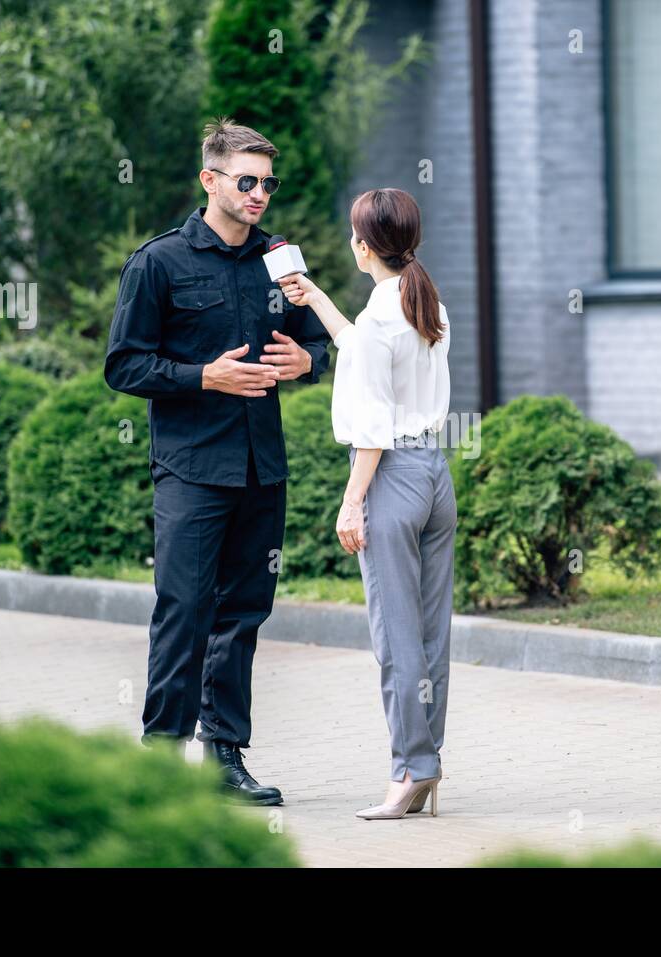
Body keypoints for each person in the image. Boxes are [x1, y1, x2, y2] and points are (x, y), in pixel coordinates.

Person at [104, 117, 332, 806]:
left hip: (263, 468)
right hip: (192, 467)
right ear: (210, 180)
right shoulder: (160, 262)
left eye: (269, 182)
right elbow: (124, 363)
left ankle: (223, 757)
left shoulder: (280, 260)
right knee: (185, 607)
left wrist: (306, 362)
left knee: (244, 613)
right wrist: (204, 377)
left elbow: (319, 344)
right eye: (247, 180)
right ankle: (158, 761)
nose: (261, 193)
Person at [280, 187, 455, 820]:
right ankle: (427, 763)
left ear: (362, 245)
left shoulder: (386, 313)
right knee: (431, 633)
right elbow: (365, 350)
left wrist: (352, 503)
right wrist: (320, 300)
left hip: (392, 478)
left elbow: (372, 425)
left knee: (396, 637)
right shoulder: (420, 299)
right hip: (435, 474)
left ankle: (408, 768)